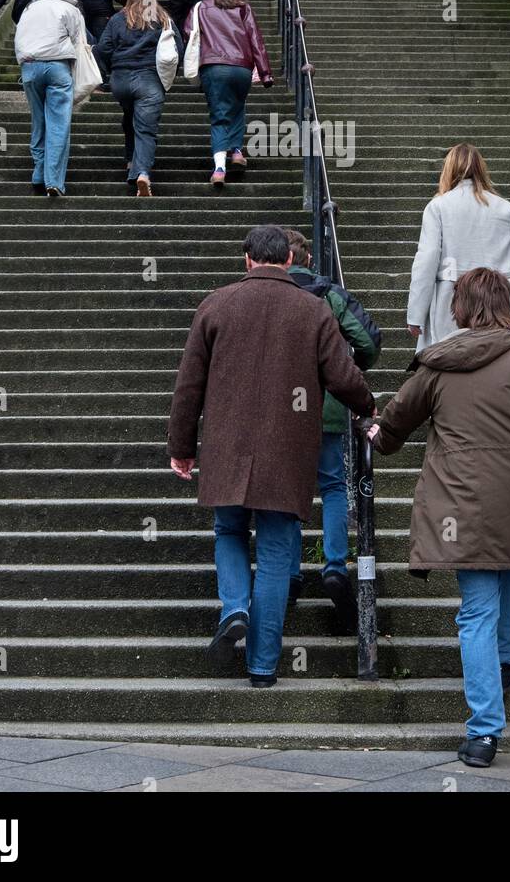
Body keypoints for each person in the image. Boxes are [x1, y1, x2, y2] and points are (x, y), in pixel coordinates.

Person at [367, 267, 510, 768]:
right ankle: (503, 663)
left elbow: (396, 419)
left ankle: (484, 732)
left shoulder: (436, 366)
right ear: (506, 305)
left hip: (460, 500)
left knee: (476, 608)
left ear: (459, 308)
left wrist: (380, 438)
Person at [168, 224, 377, 686]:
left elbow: (189, 386)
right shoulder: (313, 310)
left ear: (247, 260)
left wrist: (182, 448)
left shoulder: (215, 305)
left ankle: (235, 607)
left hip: (227, 444)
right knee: (278, 552)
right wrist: (369, 408)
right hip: (288, 449)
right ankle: (263, 666)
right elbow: (343, 376)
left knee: (229, 530)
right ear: (288, 261)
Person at [284, 229, 381, 627]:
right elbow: (369, 340)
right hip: (327, 407)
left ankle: (288, 575)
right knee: (334, 487)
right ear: (308, 260)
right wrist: (352, 370)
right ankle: (335, 565)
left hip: (281, 411)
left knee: (286, 493)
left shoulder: (267, 296)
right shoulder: (330, 294)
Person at [407, 142, 510, 351]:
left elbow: (427, 261)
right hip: (500, 302)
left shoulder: (438, 207)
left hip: (452, 303)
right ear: (481, 169)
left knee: (451, 361)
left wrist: (415, 315)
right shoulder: (505, 208)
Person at [95, 0, 184, 198]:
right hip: (149, 81)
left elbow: (103, 49)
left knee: (130, 115)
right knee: (145, 128)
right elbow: (178, 48)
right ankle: (142, 173)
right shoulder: (162, 17)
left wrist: (104, 75)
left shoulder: (118, 19)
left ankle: (130, 160)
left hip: (121, 81)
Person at [186, 0, 273, 187]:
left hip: (213, 67)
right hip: (242, 67)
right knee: (237, 106)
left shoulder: (201, 6)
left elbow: (189, 32)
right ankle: (235, 151)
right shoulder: (243, 7)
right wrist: (265, 73)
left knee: (219, 115)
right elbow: (256, 39)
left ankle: (219, 168)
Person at [13, 0, 86, 197]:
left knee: (39, 121)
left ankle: (38, 172)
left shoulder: (28, 9)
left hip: (29, 67)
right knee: (58, 124)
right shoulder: (70, 8)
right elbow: (79, 41)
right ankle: (53, 181)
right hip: (57, 67)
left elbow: (19, 38)